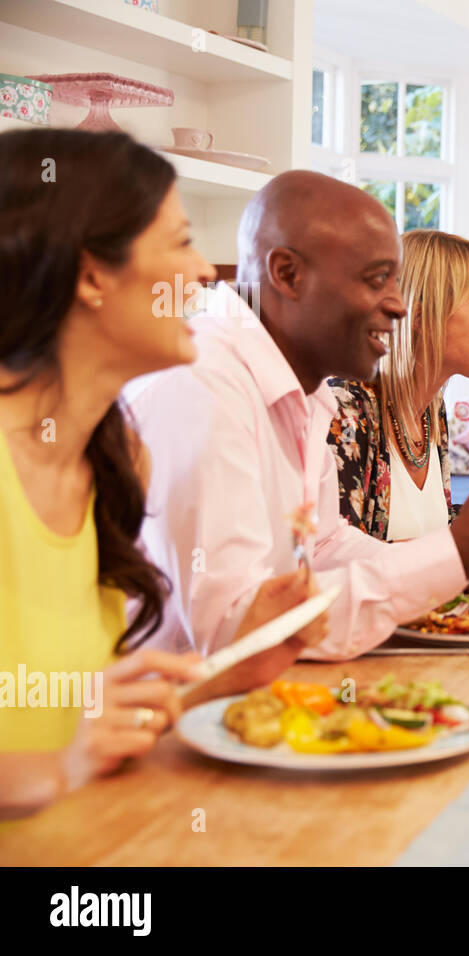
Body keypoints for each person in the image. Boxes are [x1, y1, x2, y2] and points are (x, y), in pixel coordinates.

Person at [0, 130, 326, 817]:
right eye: (179, 242)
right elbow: (65, 748)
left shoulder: (115, 461)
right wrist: (63, 762)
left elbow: (80, 718)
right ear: (91, 276)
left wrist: (225, 672)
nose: (205, 273)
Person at [128, 171, 469, 662]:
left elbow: (324, 550)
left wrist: (465, 557)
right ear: (288, 275)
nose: (400, 306)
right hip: (167, 717)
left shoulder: (306, 392)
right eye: (376, 280)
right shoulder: (205, 386)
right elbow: (238, 634)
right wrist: (465, 546)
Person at [327, 230, 469, 541]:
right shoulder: (345, 410)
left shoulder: (431, 411)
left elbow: (434, 527)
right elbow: (336, 563)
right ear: (421, 315)